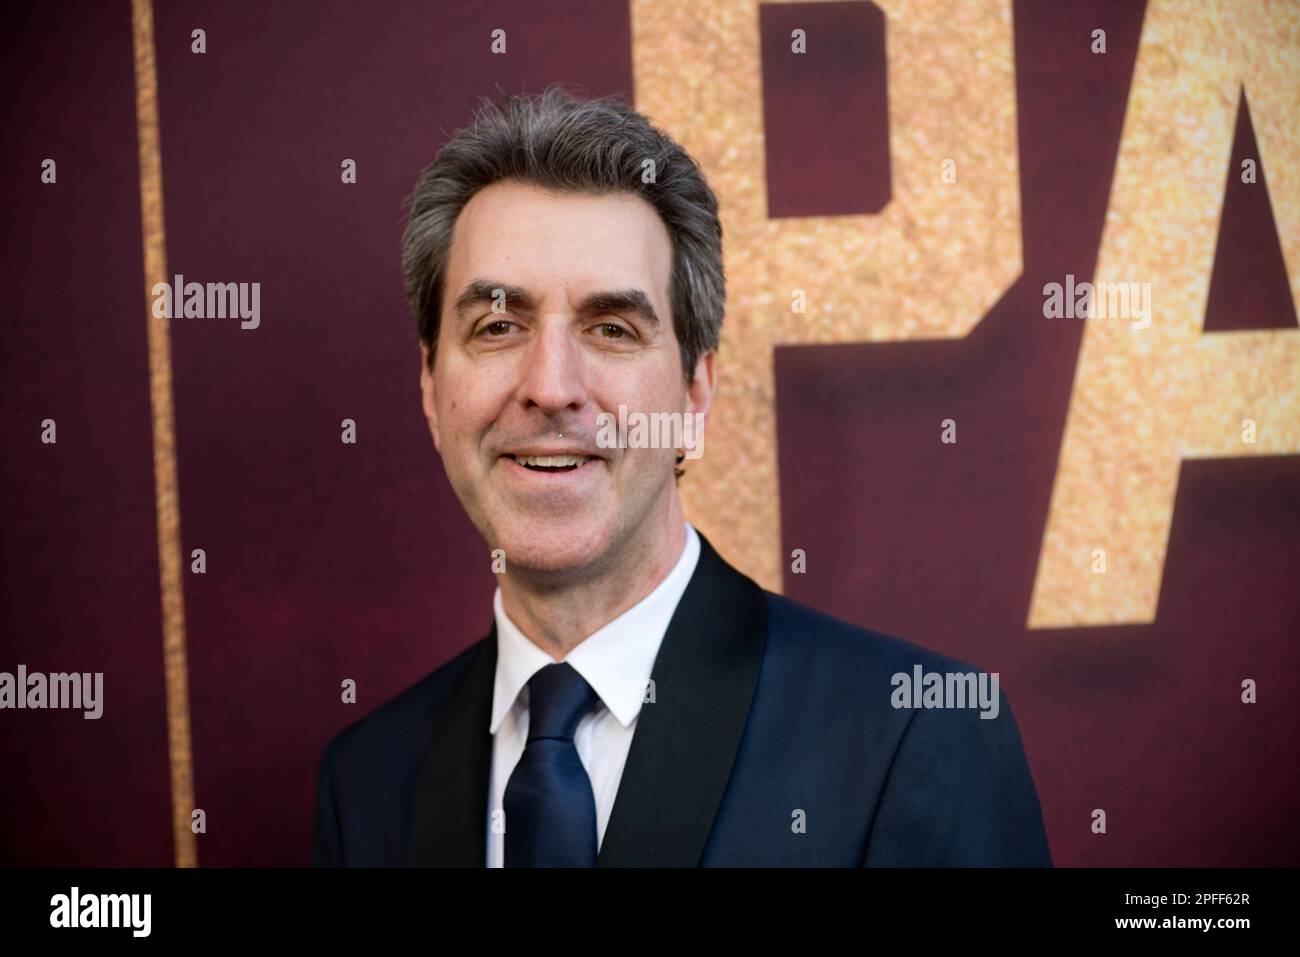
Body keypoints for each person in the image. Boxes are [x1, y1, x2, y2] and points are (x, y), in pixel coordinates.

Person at [310, 84, 1051, 867]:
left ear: (695, 394)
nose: (551, 385)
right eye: (497, 326)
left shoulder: (914, 738)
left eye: (612, 329)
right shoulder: (366, 781)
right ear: (431, 389)